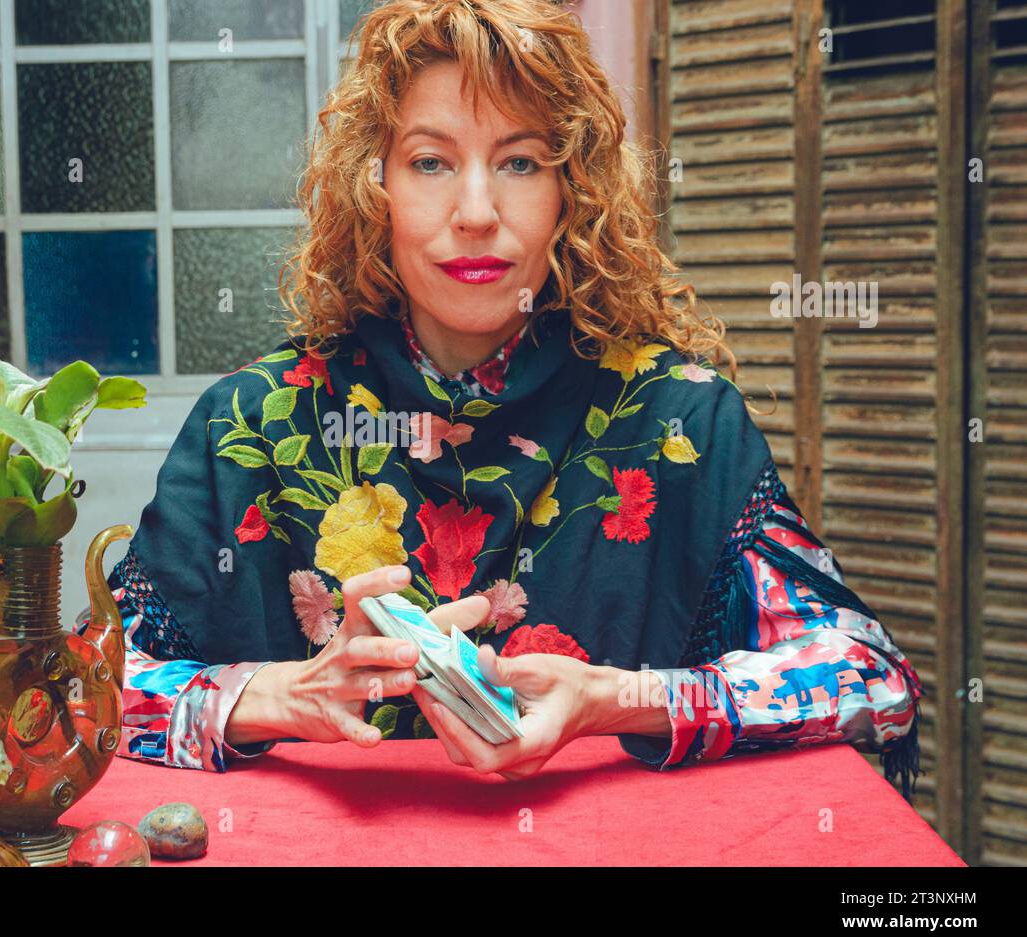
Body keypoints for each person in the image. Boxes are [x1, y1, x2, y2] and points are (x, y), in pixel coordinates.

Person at [75, 0, 922, 794]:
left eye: (519, 162)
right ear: (376, 190)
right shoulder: (256, 421)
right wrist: (279, 695)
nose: (475, 212)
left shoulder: (681, 418)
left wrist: (620, 700)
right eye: (431, 162)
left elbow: (869, 677)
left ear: (572, 193)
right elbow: (68, 694)